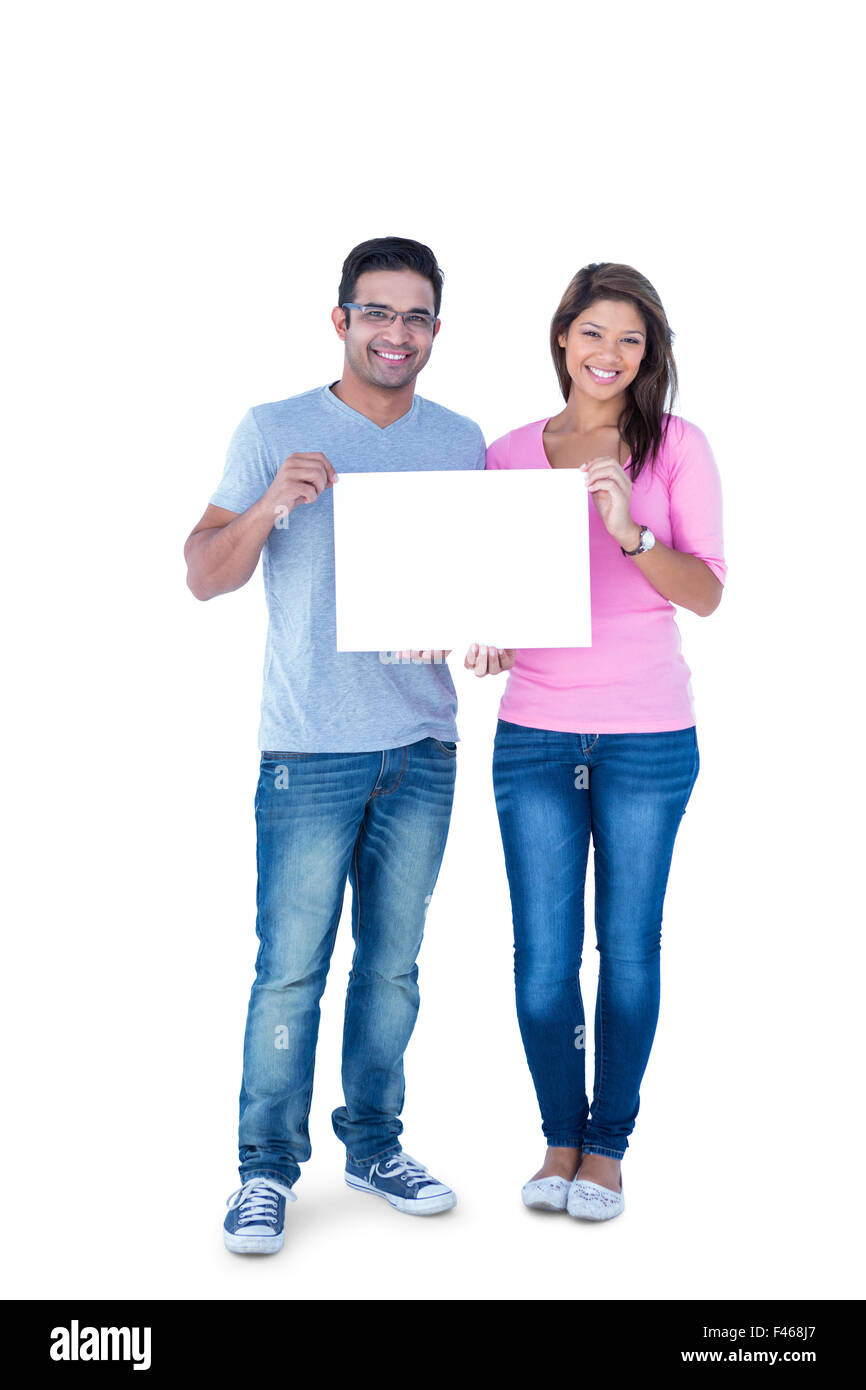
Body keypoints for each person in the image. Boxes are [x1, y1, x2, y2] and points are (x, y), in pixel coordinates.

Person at [184, 236, 485, 1254]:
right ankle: (263, 1171)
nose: (395, 333)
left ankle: (373, 1143)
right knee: (290, 970)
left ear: (433, 330)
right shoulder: (275, 428)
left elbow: (473, 589)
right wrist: (272, 504)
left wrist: (487, 629)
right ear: (340, 320)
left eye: (415, 317)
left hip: (423, 745)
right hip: (307, 750)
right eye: (377, 312)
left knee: (393, 968)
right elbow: (202, 574)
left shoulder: (458, 439)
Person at [465, 262, 726, 1221]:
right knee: (541, 961)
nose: (608, 355)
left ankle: (607, 1149)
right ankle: (557, 1140)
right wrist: (485, 627)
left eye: (630, 338)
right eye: (592, 334)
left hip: (648, 737)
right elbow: (490, 587)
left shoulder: (677, 448)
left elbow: (706, 593)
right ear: (561, 338)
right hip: (534, 731)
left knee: (627, 950)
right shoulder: (505, 453)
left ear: (649, 352)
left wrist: (628, 529)